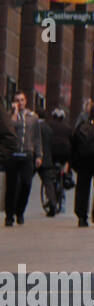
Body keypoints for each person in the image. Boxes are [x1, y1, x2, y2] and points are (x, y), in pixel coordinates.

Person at [5, 93, 42, 226]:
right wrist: (14, 113)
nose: (19, 103)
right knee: (11, 186)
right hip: (12, 154)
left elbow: (37, 138)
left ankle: (20, 211)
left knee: (26, 184)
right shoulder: (9, 116)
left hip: (27, 153)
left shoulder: (33, 118)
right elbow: (10, 128)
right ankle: (9, 216)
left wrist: (39, 155)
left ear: (26, 101)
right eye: (16, 100)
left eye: (21, 100)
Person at [39, 107, 73, 216]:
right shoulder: (68, 128)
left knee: (50, 176)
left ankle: (52, 194)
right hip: (65, 155)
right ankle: (65, 178)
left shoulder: (49, 126)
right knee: (64, 169)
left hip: (52, 154)